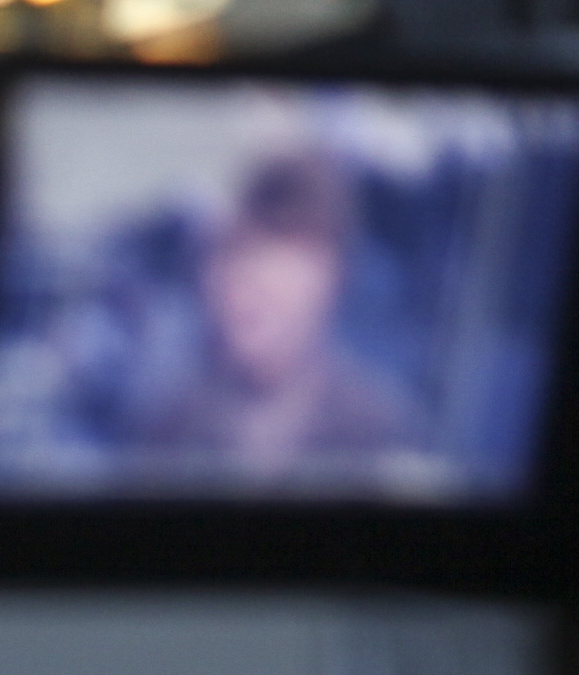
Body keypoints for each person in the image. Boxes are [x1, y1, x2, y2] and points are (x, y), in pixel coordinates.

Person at [126, 146, 422, 484]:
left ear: (329, 275)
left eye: (272, 261)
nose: (242, 287)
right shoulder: (167, 430)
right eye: (230, 255)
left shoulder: (377, 435)